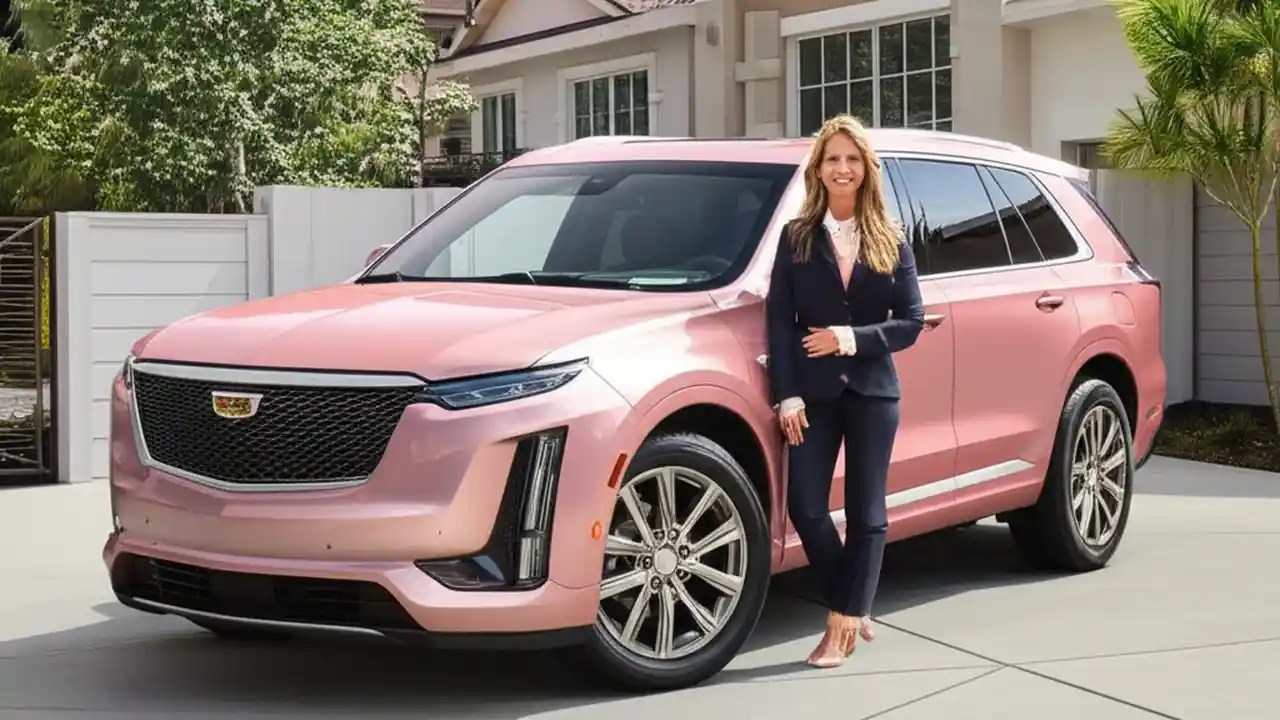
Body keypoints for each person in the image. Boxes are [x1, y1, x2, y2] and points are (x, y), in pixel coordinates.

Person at [765, 114, 925, 669]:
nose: (842, 168)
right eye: (832, 158)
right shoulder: (796, 238)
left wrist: (849, 338)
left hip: (874, 393)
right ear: (819, 168)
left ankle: (839, 626)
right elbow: (779, 321)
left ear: (866, 169)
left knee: (866, 510)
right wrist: (786, 394)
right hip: (809, 395)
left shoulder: (891, 238)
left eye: (852, 159)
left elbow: (910, 320)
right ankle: (853, 601)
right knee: (806, 506)